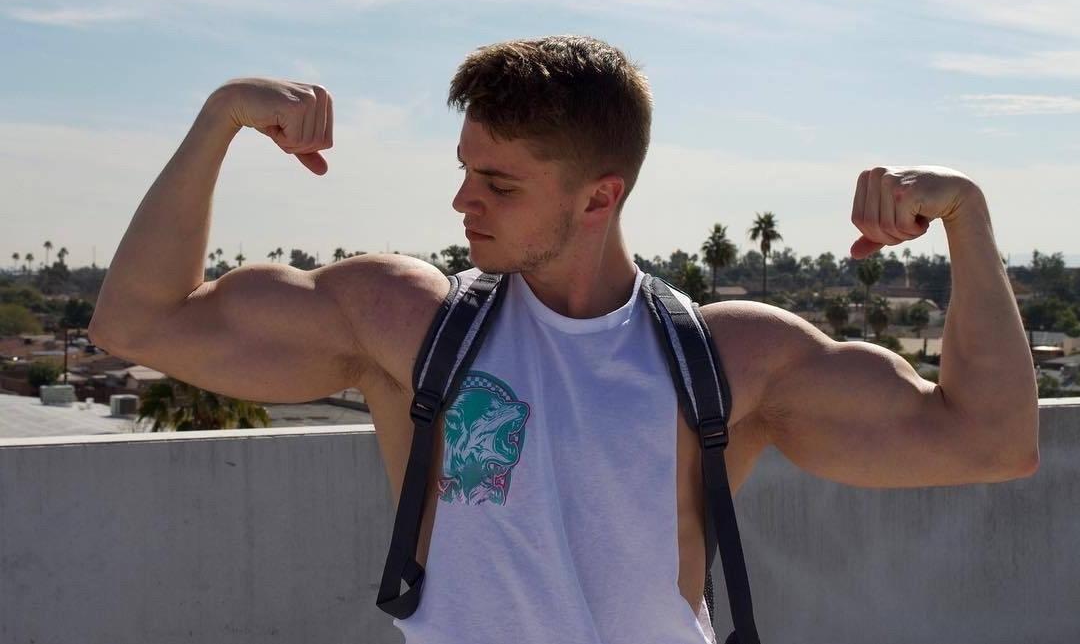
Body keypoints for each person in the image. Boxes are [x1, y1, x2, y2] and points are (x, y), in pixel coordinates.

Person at [88, 35, 1040, 643]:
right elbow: (138, 321)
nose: (462, 201)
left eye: (499, 184)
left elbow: (989, 440)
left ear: (600, 196)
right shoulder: (402, 318)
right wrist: (221, 116)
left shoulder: (727, 359)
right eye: (466, 169)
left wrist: (969, 217)